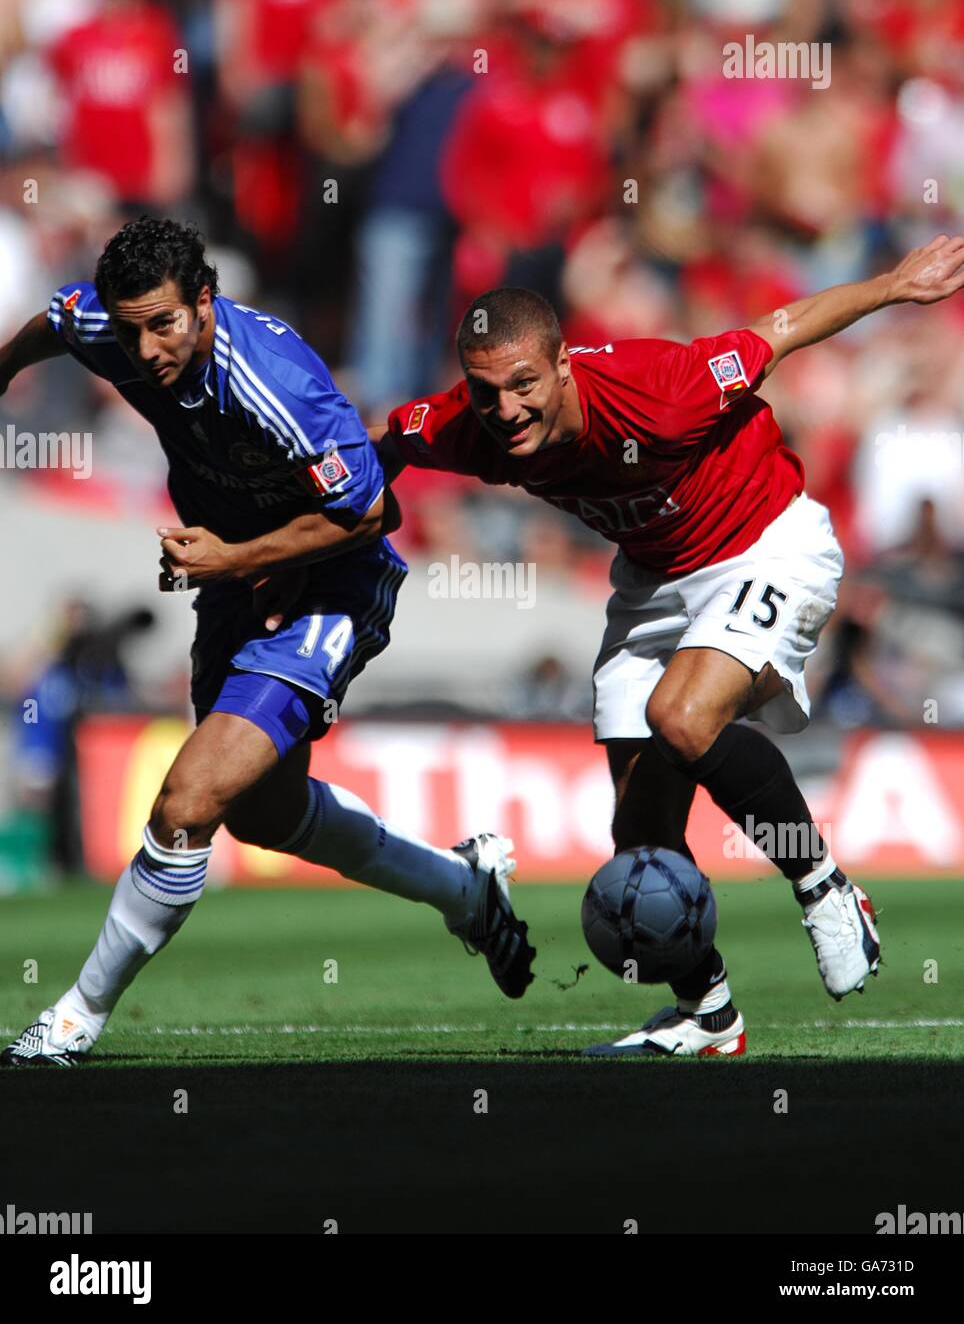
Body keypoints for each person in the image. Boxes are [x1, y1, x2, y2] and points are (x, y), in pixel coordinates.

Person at [371, 233, 964, 1056]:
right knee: (640, 834)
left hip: (766, 544)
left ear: (564, 366)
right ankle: (707, 1014)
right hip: (653, 583)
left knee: (681, 718)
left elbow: (782, 328)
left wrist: (897, 285)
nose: (505, 410)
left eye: (523, 385)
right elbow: (370, 454)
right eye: (484, 391)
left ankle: (826, 888)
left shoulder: (663, 387)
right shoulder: (465, 428)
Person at [0, 217, 534, 1068]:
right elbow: (50, 324)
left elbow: (369, 511)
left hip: (331, 586)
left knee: (186, 804)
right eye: (130, 328)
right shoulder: (109, 323)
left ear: (205, 304)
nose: (146, 349)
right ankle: (464, 890)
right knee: (265, 816)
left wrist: (236, 554)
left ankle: (72, 1020)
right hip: (235, 582)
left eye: (164, 324)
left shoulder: (275, 381)